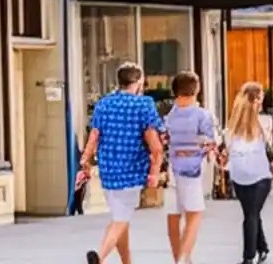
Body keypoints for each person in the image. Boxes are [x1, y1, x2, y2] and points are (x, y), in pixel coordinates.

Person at [80, 62, 164, 264]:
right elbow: (155, 145)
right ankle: (99, 257)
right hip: (131, 171)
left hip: (108, 171)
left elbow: (94, 135)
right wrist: (155, 171)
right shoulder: (144, 105)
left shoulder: (103, 104)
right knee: (120, 220)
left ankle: (127, 261)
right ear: (138, 82)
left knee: (121, 217)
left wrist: (85, 160)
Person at [162, 71, 215, 264]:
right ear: (197, 89)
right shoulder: (202, 115)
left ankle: (180, 257)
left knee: (173, 216)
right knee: (195, 215)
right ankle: (183, 259)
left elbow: (164, 139)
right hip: (192, 169)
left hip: (172, 170)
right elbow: (210, 142)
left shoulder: (168, 117)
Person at [223, 82, 273, 264]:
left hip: (245, 176)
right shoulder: (264, 122)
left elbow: (228, 149)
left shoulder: (231, 127)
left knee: (250, 214)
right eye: (260, 98)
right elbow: (269, 145)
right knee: (252, 214)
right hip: (257, 175)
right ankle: (261, 248)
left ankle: (249, 257)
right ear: (256, 100)